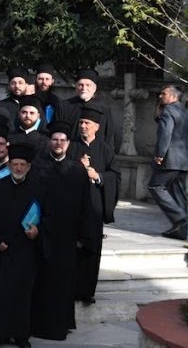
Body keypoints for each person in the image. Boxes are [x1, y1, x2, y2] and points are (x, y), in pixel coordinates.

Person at [30, 121, 95, 341]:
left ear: (68, 144)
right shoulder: (37, 167)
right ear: (50, 142)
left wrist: (83, 236)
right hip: (42, 235)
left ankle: (61, 324)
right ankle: (39, 324)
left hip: (68, 236)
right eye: (55, 139)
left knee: (63, 283)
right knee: (42, 280)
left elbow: (87, 204)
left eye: (63, 140)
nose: (58, 143)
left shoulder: (77, 170)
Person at [0, 143, 45, 348]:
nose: (18, 168)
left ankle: (21, 335)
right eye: (14, 164)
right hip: (1, 250)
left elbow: (48, 218)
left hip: (25, 250)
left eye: (22, 165)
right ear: (8, 166)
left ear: (29, 167)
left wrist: (37, 232)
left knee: (22, 295)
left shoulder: (39, 189)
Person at [69, 104, 114, 305]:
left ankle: (87, 290)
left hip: (95, 205)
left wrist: (98, 176)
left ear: (96, 126)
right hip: (74, 206)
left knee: (92, 249)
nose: (83, 126)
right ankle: (70, 288)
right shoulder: (71, 147)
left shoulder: (106, 150)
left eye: (87, 123)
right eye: (81, 123)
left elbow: (115, 176)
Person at [151, 84, 188, 240]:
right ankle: (180, 231)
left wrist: (160, 154)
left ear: (174, 96)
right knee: (178, 193)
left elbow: (165, 133)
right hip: (183, 160)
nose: (160, 96)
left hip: (170, 158)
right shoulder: (182, 110)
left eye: (164, 94)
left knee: (155, 186)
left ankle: (179, 217)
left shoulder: (168, 110)